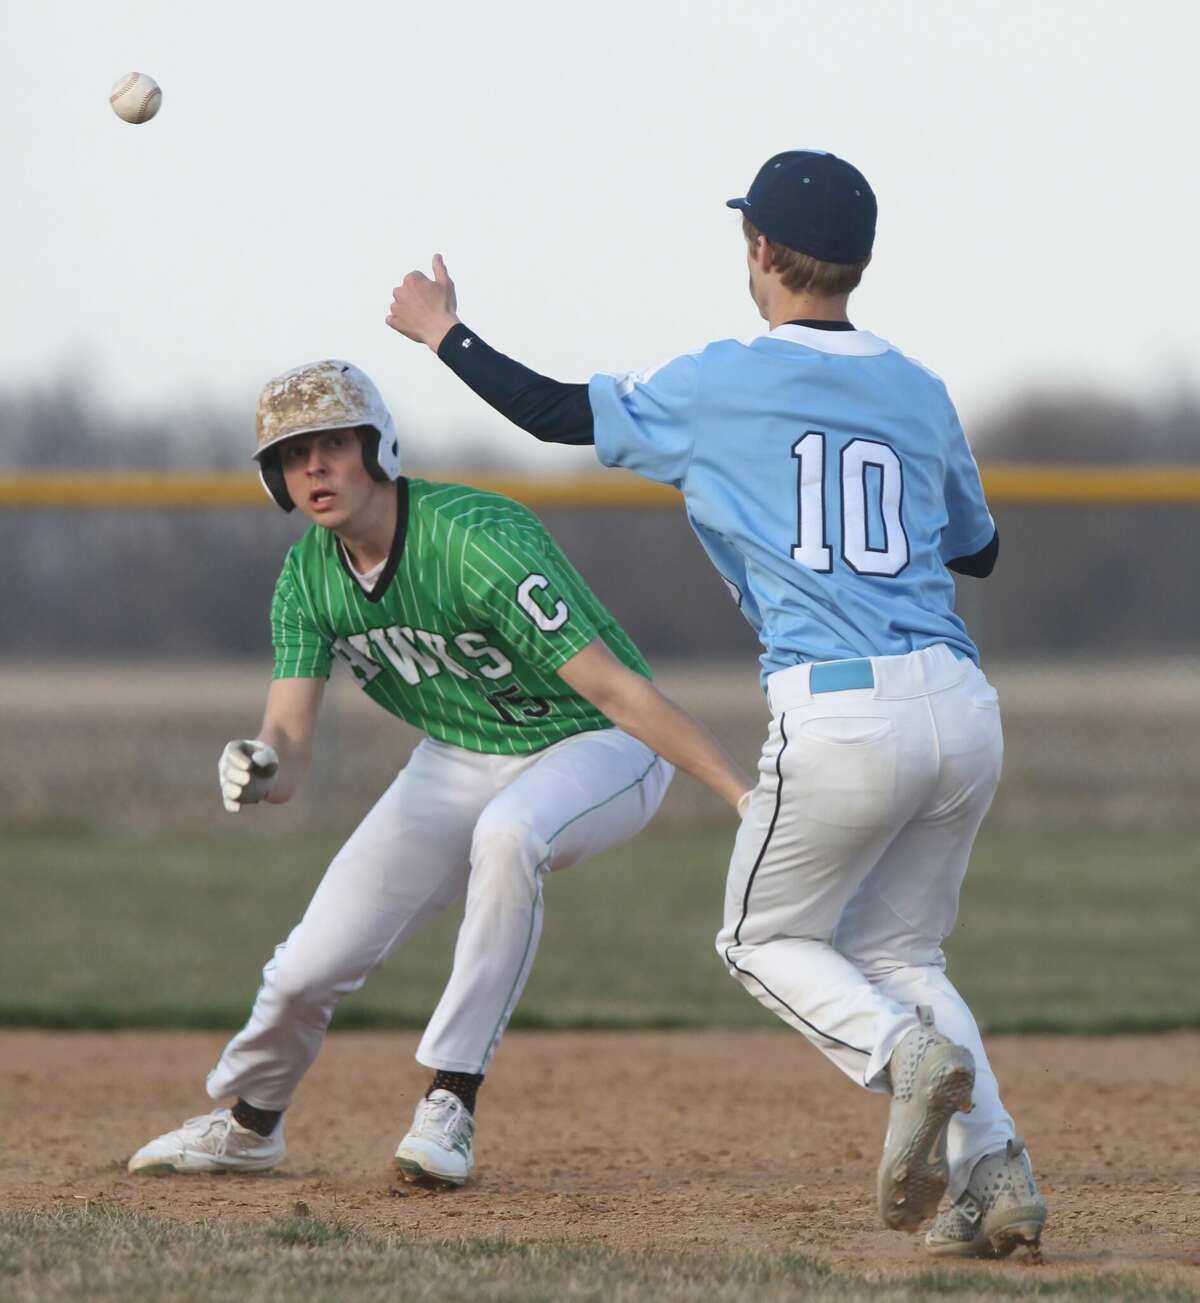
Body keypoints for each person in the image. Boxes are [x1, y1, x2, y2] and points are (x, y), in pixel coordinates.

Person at [382, 150, 1048, 1258]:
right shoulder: (920, 388)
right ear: (860, 260)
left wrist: (442, 331)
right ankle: (998, 1175)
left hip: (840, 712)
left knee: (759, 938)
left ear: (761, 248)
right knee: (903, 956)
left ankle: (902, 1057)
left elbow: (553, 414)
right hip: (962, 707)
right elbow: (978, 549)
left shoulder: (720, 381)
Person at [127, 358, 752, 1186]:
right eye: (291, 454)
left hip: (599, 739)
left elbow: (616, 690)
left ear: (376, 446)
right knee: (308, 964)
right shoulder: (308, 577)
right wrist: (262, 764)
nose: (313, 467)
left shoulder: (472, 540)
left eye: (331, 444)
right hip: (458, 755)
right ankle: (250, 1124)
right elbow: (291, 747)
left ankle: (450, 1099)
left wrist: (742, 795)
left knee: (510, 834)